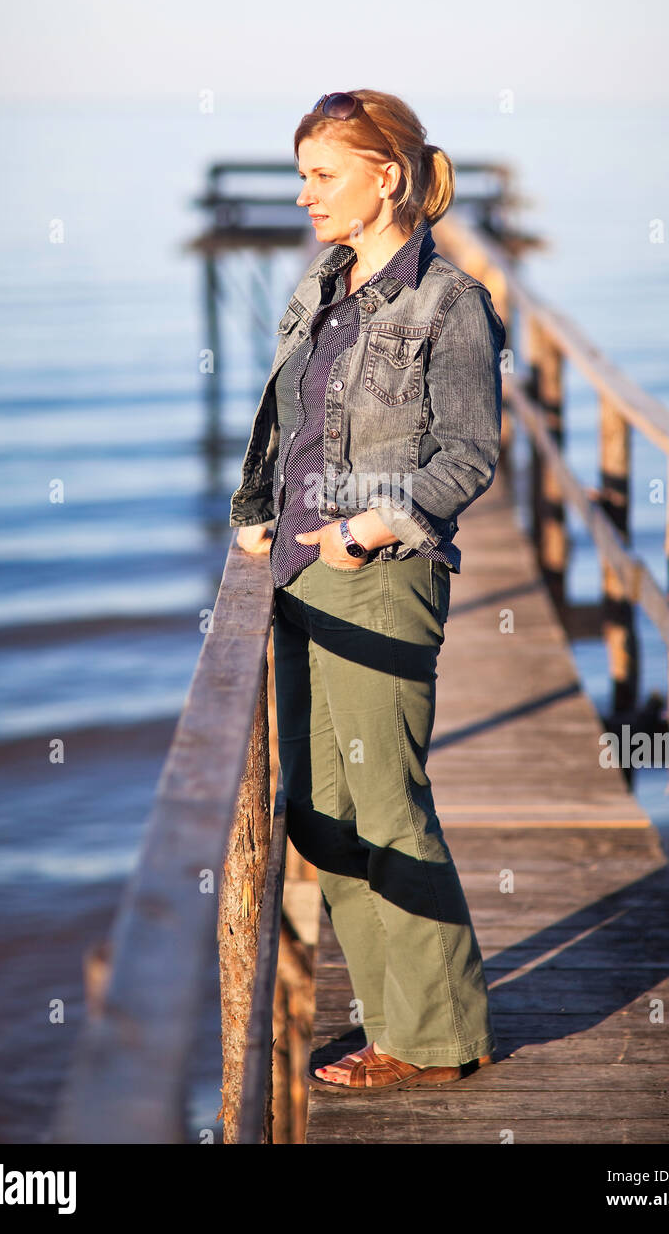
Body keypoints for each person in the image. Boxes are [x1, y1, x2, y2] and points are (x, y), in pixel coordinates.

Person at [230, 89, 506, 1092]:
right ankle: (393, 1016)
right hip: (297, 571)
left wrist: (368, 523)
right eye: (300, 175)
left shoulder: (452, 304)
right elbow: (286, 415)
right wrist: (253, 507)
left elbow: (470, 453)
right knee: (317, 812)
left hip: (378, 576)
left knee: (383, 802)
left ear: (384, 176)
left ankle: (433, 1036)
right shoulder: (322, 280)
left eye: (321, 175)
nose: (304, 196)